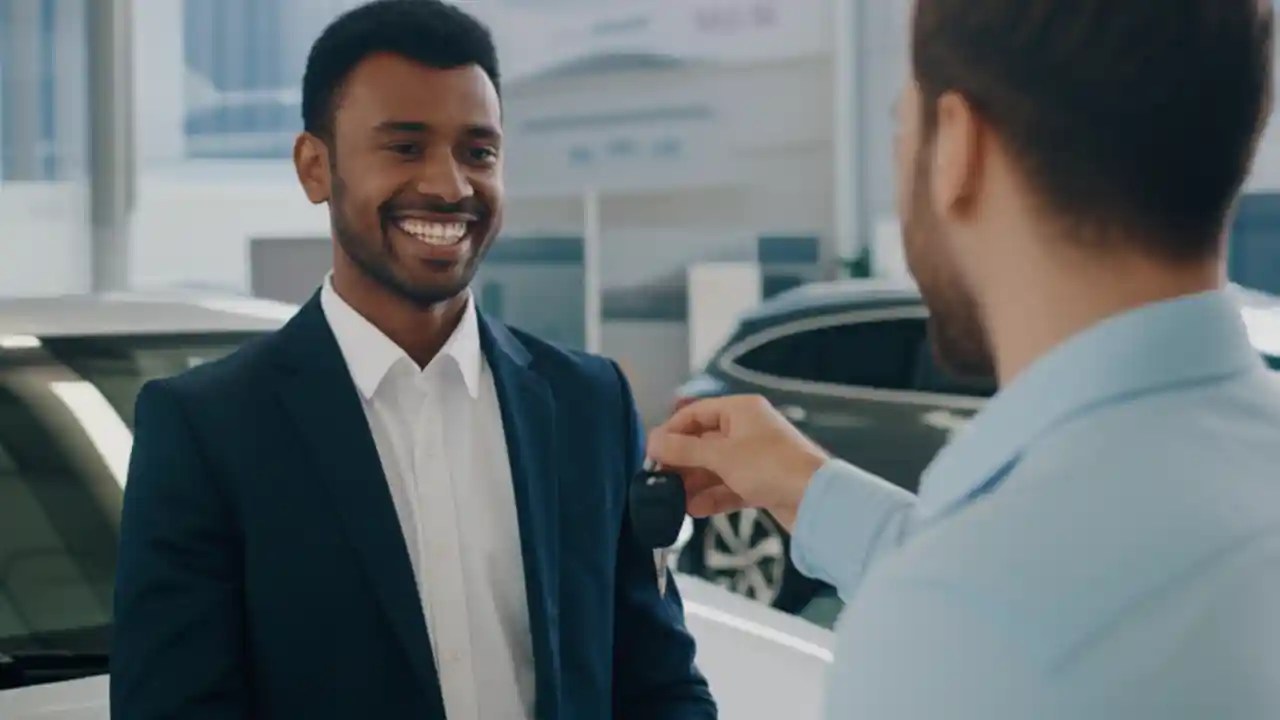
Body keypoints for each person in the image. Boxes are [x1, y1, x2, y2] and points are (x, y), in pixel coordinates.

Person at [649, 1, 1280, 718]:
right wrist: (809, 488)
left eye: (900, 121)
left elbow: (1004, 612)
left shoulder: (961, 619)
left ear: (957, 144)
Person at [110, 2, 716, 718]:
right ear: (315, 167)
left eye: (478, 152)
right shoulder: (208, 431)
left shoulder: (587, 402)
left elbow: (656, 680)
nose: (451, 185)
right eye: (404, 147)